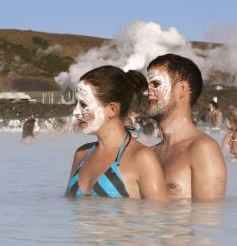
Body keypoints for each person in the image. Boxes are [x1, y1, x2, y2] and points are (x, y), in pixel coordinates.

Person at [66, 66, 167, 200]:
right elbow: (67, 208)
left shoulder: (142, 158)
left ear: (112, 109)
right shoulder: (81, 154)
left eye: (84, 105)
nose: (76, 112)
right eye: (76, 103)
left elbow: (162, 217)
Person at [146, 54, 227, 200]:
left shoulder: (202, 149)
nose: (147, 92)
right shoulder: (149, 153)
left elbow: (208, 217)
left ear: (182, 89)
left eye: (156, 84)